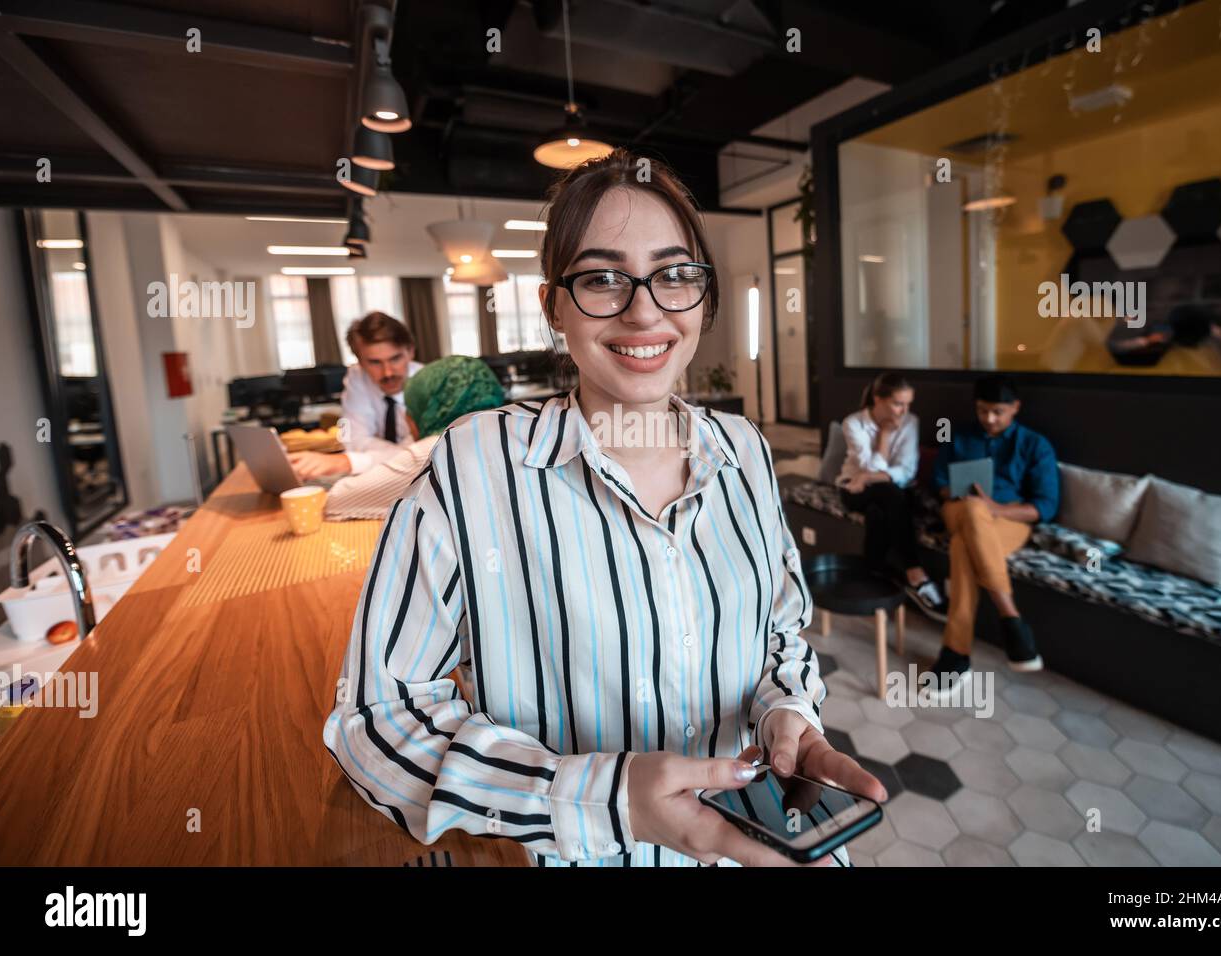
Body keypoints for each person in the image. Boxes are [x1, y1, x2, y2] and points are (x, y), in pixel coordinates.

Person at [323, 147, 885, 868]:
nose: (644, 308)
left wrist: (789, 712)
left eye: (675, 274)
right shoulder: (474, 467)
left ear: (704, 297)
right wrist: (595, 796)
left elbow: (781, 630)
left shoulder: (745, 449)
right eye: (601, 278)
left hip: (760, 844)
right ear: (554, 304)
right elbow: (376, 720)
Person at [926, 374, 1059, 699]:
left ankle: (955, 654)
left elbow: (1045, 507)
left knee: (962, 546)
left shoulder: (1034, 444)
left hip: (1009, 519)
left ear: (1015, 407)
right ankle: (1010, 615)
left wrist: (994, 507)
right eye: (983, 410)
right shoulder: (958, 435)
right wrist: (959, 491)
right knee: (971, 510)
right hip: (958, 510)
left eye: (998, 411)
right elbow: (938, 482)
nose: (989, 418)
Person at [323, 356, 506, 520]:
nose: (387, 372)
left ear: (430, 408)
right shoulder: (506, 432)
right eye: (374, 361)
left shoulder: (435, 450)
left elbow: (337, 500)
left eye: (411, 408)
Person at [836, 372, 947, 621]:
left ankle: (874, 576)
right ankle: (916, 574)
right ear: (878, 399)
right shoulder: (853, 423)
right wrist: (884, 437)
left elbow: (907, 471)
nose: (903, 411)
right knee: (889, 492)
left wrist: (868, 477)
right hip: (851, 489)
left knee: (880, 510)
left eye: (908, 404)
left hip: (889, 492)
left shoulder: (910, 422)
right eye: (897, 403)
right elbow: (867, 468)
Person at [291, 311, 422, 480]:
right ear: (359, 361)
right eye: (375, 362)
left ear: (410, 352)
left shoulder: (430, 385)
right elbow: (352, 440)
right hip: (374, 477)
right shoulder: (356, 377)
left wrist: (347, 461)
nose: (387, 372)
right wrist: (396, 453)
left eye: (395, 358)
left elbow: (420, 455)